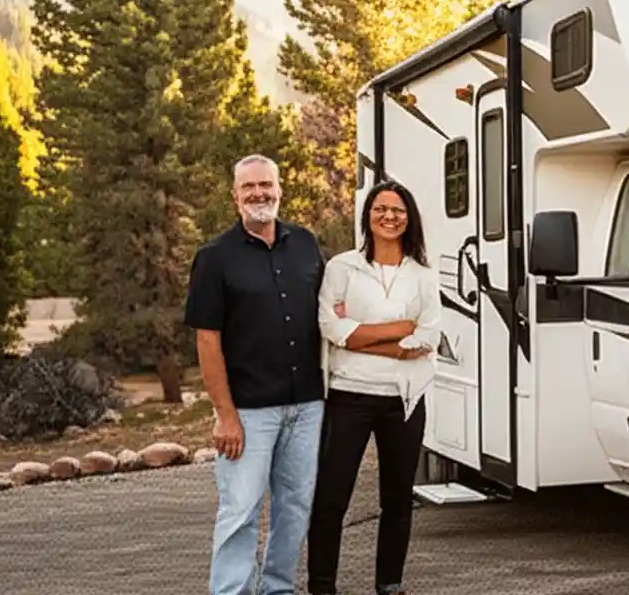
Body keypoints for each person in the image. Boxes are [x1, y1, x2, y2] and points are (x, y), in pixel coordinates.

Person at [184, 154, 328, 595]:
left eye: (266, 185)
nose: (259, 194)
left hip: (306, 405)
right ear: (235, 197)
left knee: (295, 507)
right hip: (247, 412)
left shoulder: (306, 245)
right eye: (249, 187)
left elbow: (326, 315)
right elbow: (207, 341)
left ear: (280, 189)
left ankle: (277, 588)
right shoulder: (213, 258)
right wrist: (224, 414)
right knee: (241, 510)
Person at [307, 179, 441, 595]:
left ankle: (389, 584)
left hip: (403, 400)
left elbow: (427, 338)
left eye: (398, 210)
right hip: (349, 396)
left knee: (398, 500)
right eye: (380, 208)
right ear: (368, 216)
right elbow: (330, 326)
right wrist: (396, 335)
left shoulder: (422, 275)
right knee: (332, 497)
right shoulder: (343, 267)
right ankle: (322, 586)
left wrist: (362, 335)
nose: (389, 216)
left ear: (409, 219)